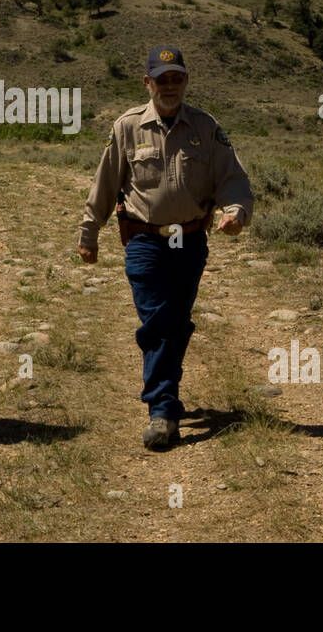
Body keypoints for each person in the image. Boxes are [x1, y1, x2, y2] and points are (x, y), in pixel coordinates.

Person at [78, 46, 254, 450]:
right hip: (144, 240)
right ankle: (162, 410)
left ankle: (166, 385)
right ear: (148, 83)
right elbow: (104, 185)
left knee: (177, 321)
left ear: (186, 81)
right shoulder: (127, 127)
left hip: (190, 239)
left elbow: (232, 178)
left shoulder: (206, 127)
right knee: (158, 322)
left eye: (177, 78)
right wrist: (89, 233)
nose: (170, 86)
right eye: (162, 79)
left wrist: (236, 212)